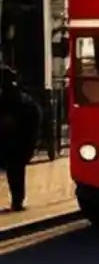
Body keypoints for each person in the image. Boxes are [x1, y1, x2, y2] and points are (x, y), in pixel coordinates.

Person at [0, 64, 42, 213]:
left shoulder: (13, 97)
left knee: (15, 172)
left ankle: (17, 202)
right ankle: (17, 201)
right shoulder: (21, 97)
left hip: (15, 142)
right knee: (15, 172)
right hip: (17, 141)